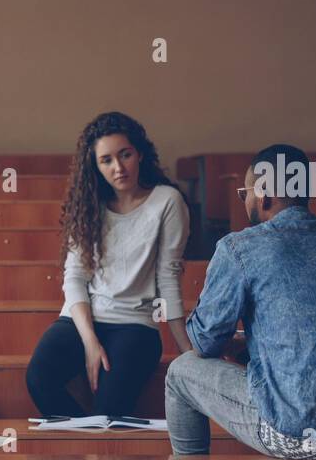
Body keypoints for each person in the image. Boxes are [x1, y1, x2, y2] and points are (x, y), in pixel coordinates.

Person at [165, 143, 316, 458]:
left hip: (294, 434)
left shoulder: (240, 248)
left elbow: (203, 342)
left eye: (245, 193)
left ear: (263, 193)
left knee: (181, 372)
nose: (245, 201)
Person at [26, 111, 192, 419]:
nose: (118, 168)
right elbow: (74, 278)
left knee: (109, 411)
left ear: (140, 153)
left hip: (135, 325)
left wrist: (187, 349)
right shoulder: (88, 205)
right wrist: (90, 342)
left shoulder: (167, 201)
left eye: (125, 154)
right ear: (96, 165)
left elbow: (168, 276)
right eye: (106, 160)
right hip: (82, 319)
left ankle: (95, 452)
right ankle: (81, 449)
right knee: (38, 377)